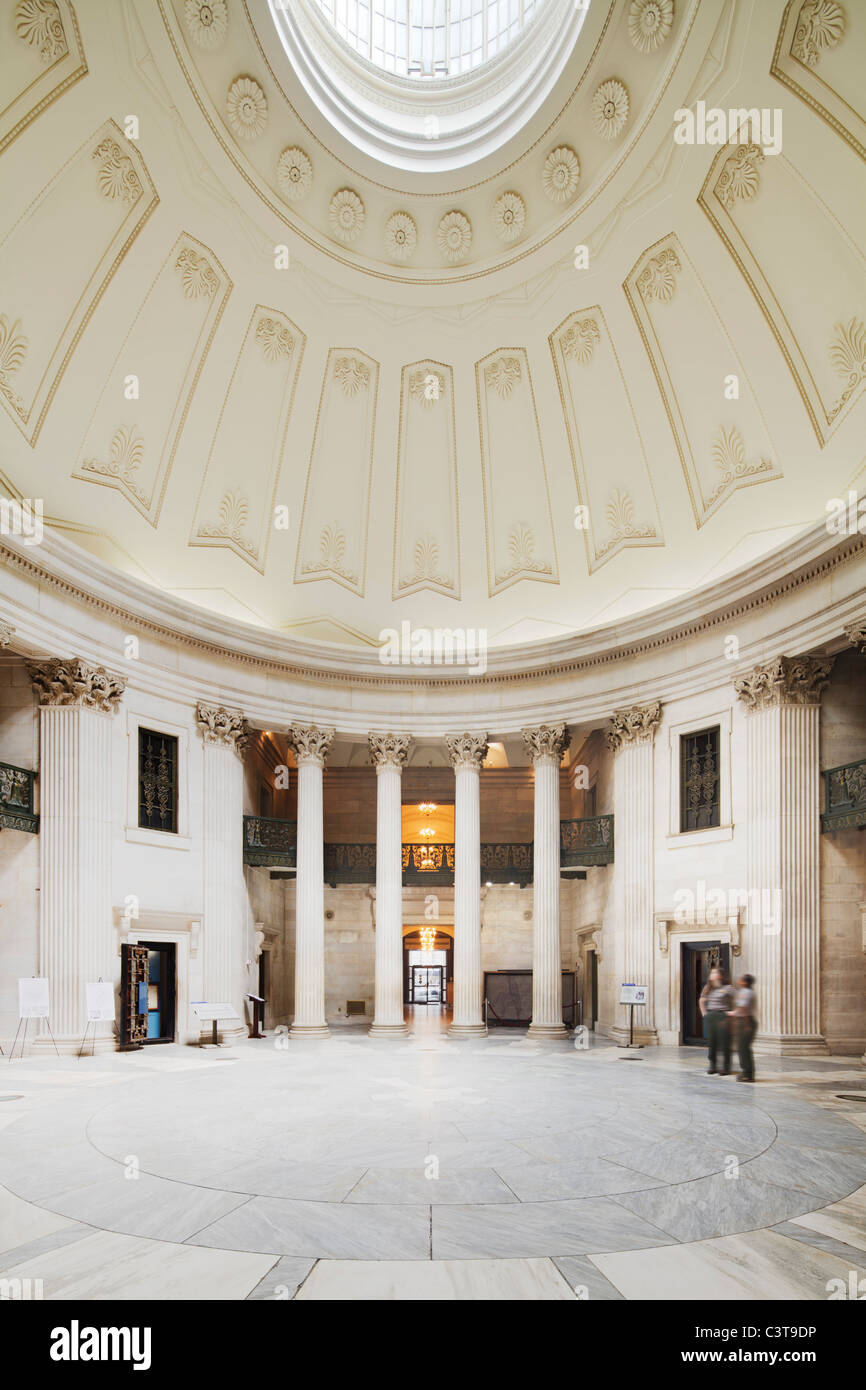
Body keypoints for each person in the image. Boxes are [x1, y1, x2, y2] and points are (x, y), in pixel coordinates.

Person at [699, 966, 734, 1075]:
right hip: (710, 1016)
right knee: (712, 1042)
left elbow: (739, 1000)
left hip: (722, 1015)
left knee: (724, 1042)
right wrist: (704, 1014)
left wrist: (732, 1013)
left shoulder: (728, 988)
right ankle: (712, 1065)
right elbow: (701, 1000)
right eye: (711, 973)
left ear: (720, 975)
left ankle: (726, 1067)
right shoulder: (708, 988)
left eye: (714, 972)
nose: (711, 974)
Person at [730, 973, 758, 1082]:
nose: (739, 980)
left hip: (745, 1021)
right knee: (743, 1048)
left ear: (745, 982)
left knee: (743, 1048)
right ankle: (747, 1073)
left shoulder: (746, 992)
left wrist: (746, 1025)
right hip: (745, 1020)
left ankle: (747, 1074)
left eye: (741, 979)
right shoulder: (745, 991)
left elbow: (743, 1008)